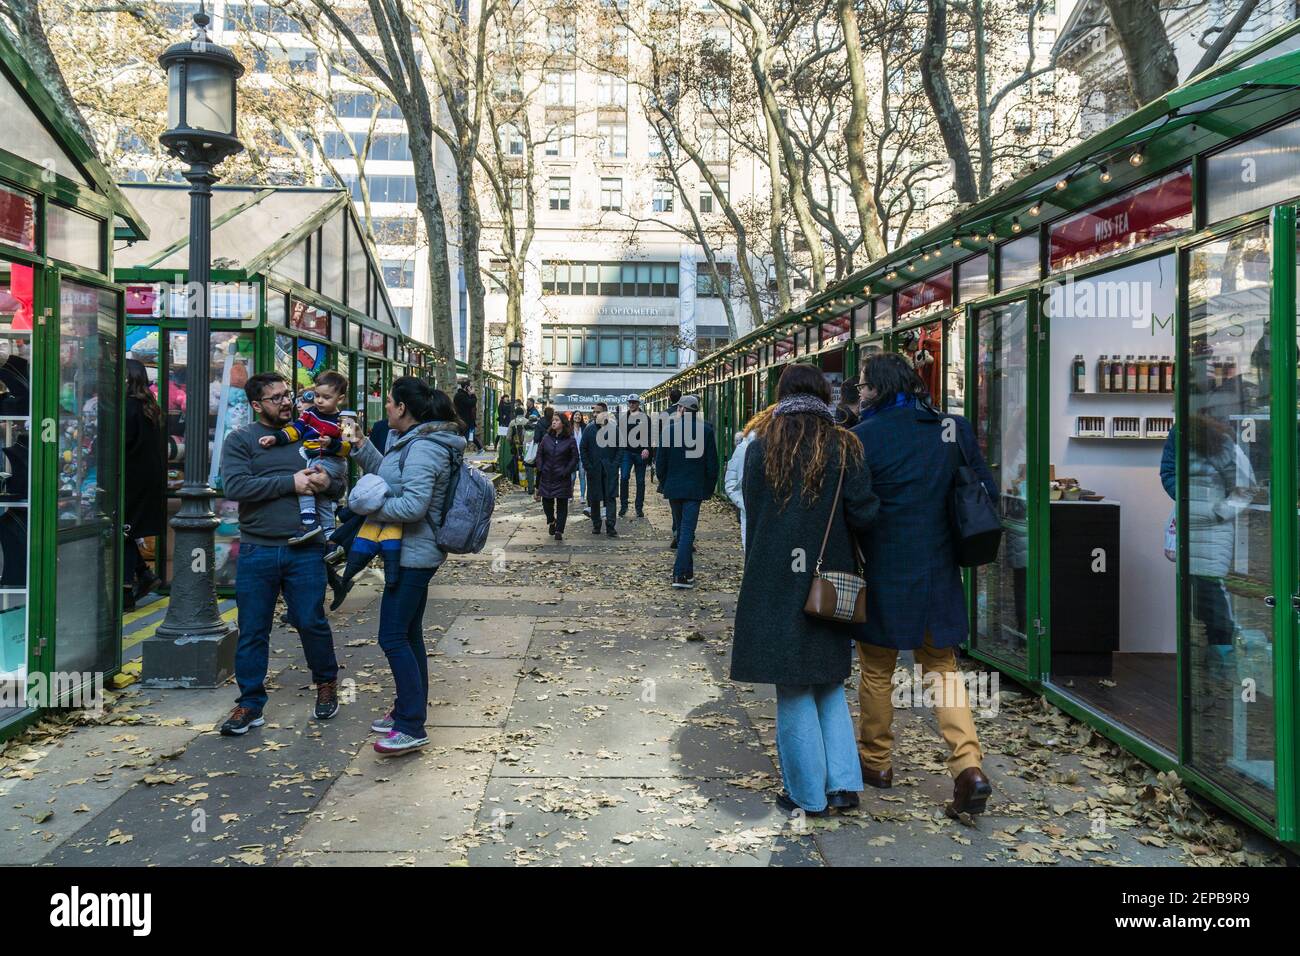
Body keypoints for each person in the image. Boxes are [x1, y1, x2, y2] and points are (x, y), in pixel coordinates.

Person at [849, 352, 996, 819]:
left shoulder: (863, 437)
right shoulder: (953, 429)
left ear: (879, 389)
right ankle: (968, 767)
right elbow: (983, 491)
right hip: (938, 568)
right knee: (942, 668)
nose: (859, 392)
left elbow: (856, 509)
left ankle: (877, 762)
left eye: (863, 384)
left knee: (877, 669)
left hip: (884, 569)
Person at [730, 362, 878, 816]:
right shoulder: (845, 445)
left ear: (783, 394)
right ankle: (843, 786)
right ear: (824, 394)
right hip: (830, 579)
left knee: (792, 684)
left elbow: (752, 511)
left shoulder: (762, 446)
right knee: (829, 679)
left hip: (773, 577)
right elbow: (864, 513)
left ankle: (807, 795)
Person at [218, 372, 342, 736]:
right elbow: (236, 486)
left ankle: (326, 683)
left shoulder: (309, 433)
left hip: (305, 549)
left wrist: (327, 482)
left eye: (288, 394)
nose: (287, 402)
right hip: (257, 548)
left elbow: (339, 482)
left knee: (310, 621)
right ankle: (250, 702)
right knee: (253, 629)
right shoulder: (241, 439)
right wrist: (291, 483)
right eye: (277, 398)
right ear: (257, 405)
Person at [349, 377, 466, 755]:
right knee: (409, 634)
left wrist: (367, 508)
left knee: (392, 636)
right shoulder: (413, 441)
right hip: (408, 550)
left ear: (403, 408)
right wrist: (361, 446)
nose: (385, 406)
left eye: (390, 401)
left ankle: (411, 725)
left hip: (415, 553)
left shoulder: (424, 447)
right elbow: (391, 475)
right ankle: (406, 710)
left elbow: (414, 506)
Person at [258, 370, 352, 544]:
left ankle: (309, 522)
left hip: (332, 460)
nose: (319, 400)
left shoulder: (347, 420)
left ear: (340, 399)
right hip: (316, 458)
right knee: (322, 498)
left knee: (305, 481)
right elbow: (296, 430)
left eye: (326, 397)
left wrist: (331, 443)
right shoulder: (309, 414)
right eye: (317, 395)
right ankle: (330, 537)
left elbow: (348, 449)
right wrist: (276, 438)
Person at [654, 395, 717, 588]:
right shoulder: (706, 431)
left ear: (681, 409)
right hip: (694, 488)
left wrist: (665, 482)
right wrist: (708, 489)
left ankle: (685, 574)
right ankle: (681, 574)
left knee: (682, 530)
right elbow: (712, 465)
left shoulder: (669, 430)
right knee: (687, 531)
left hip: (674, 487)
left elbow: (660, 462)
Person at [123, 358, 165, 610]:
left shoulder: (128, 407)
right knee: (126, 531)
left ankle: (127, 590)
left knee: (123, 530)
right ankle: (143, 573)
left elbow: (122, 443)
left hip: (130, 478)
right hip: (146, 478)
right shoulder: (148, 406)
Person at [722, 406, 772, 553]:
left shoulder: (744, 446)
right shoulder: (745, 447)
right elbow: (731, 482)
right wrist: (745, 504)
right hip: (752, 514)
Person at [534, 412, 579, 542]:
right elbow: (539, 454)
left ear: (563, 423)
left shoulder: (570, 440)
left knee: (562, 504)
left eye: (557, 420)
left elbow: (574, 458)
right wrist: (541, 466)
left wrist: (566, 471)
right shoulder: (546, 438)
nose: (554, 422)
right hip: (547, 475)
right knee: (546, 503)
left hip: (562, 477)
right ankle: (551, 521)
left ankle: (559, 530)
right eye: (553, 420)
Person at [580, 402, 620, 536]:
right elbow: (583, 448)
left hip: (609, 470)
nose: (595, 414)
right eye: (594, 412)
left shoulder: (614, 429)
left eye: (598, 412)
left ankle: (610, 526)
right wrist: (588, 466)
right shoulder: (589, 429)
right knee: (594, 498)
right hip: (594, 469)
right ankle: (596, 524)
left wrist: (615, 464)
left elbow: (620, 448)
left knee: (610, 497)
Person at [618, 395, 652, 518]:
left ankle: (639, 508)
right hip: (626, 452)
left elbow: (650, 435)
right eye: (630, 402)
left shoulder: (645, 418)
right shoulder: (623, 418)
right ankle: (624, 506)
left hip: (640, 453)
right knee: (624, 478)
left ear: (638, 404)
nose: (631, 404)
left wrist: (647, 448)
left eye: (634, 402)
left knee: (640, 481)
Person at [526, 406, 553, 495]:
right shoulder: (554, 423)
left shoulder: (539, 423)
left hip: (541, 450)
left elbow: (536, 438)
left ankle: (538, 490)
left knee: (540, 470)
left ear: (544, 413)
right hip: (552, 450)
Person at [454, 379, 482, 452]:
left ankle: (480, 449)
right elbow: (471, 403)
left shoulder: (464, 395)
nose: (472, 388)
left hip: (468, 421)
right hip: (464, 421)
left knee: (470, 436)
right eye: (470, 387)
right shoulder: (461, 396)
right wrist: (473, 394)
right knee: (466, 437)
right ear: (466, 387)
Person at [570, 411, 589, 510]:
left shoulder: (584, 428)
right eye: (576, 415)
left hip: (582, 456)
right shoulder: (569, 428)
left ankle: (582, 496)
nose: (577, 416)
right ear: (573, 417)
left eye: (579, 415)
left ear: (581, 417)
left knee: (582, 476)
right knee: (572, 477)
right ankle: (570, 494)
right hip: (572, 456)